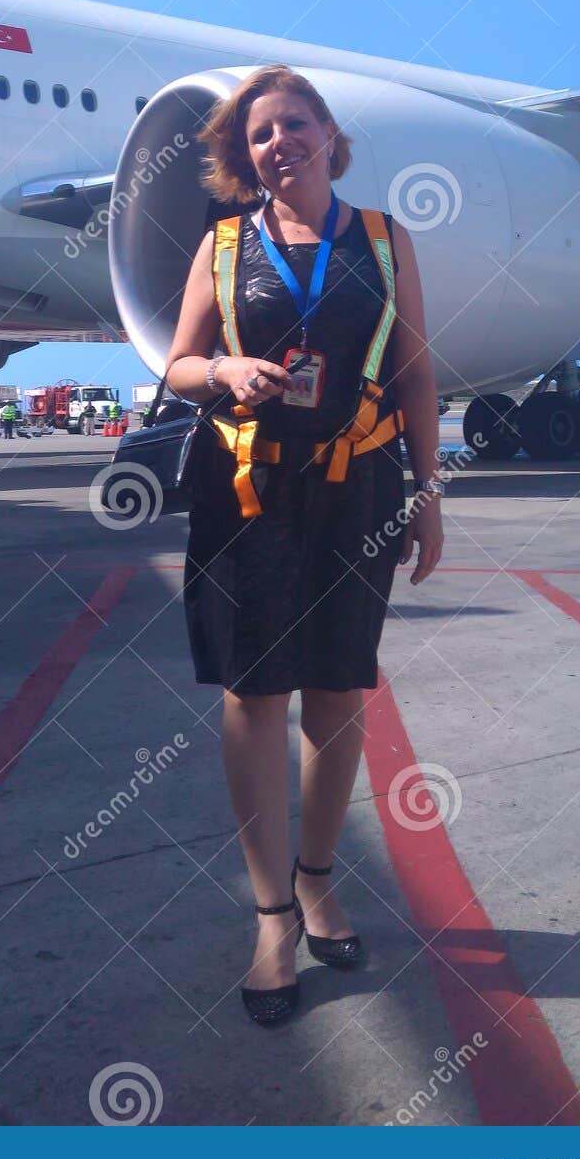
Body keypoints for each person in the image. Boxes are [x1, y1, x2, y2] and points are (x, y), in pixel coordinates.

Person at [164, 63, 444, 1027]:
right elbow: (177, 363)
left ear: (328, 133)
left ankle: (318, 881)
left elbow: (414, 372)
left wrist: (427, 496)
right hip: (247, 489)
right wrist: (224, 370)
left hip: (358, 485)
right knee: (254, 694)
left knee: (337, 686)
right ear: (244, 158)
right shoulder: (224, 244)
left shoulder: (384, 239)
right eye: (258, 135)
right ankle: (272, 917)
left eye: (293, 124)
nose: (277, 142)